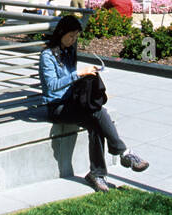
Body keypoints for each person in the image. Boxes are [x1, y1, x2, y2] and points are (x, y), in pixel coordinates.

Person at [39, 16, 149, 192]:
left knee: (96, 122)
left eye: (75, 37)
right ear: (61, 33)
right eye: (71, 36)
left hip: (71, 102)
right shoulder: (47, 56)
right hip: (57, 107)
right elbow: (52, 86)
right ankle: (123, 153)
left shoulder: (67, 51)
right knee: (97, 113)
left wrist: (88, 74)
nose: (73, 40)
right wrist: (79, 74)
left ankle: (97, 174)